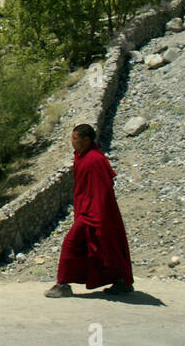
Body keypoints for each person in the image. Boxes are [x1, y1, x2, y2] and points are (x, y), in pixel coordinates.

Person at [46, 124, 135, 297]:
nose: (72, 142)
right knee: (106, 247)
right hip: (88, 211)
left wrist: (95, 216)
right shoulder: (82, 156)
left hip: (96, 212)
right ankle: (121, 281)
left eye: (75, 138)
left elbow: (102, 189)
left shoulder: (95, 160)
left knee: (71, 243)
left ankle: (62, 284)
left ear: (86, 140)